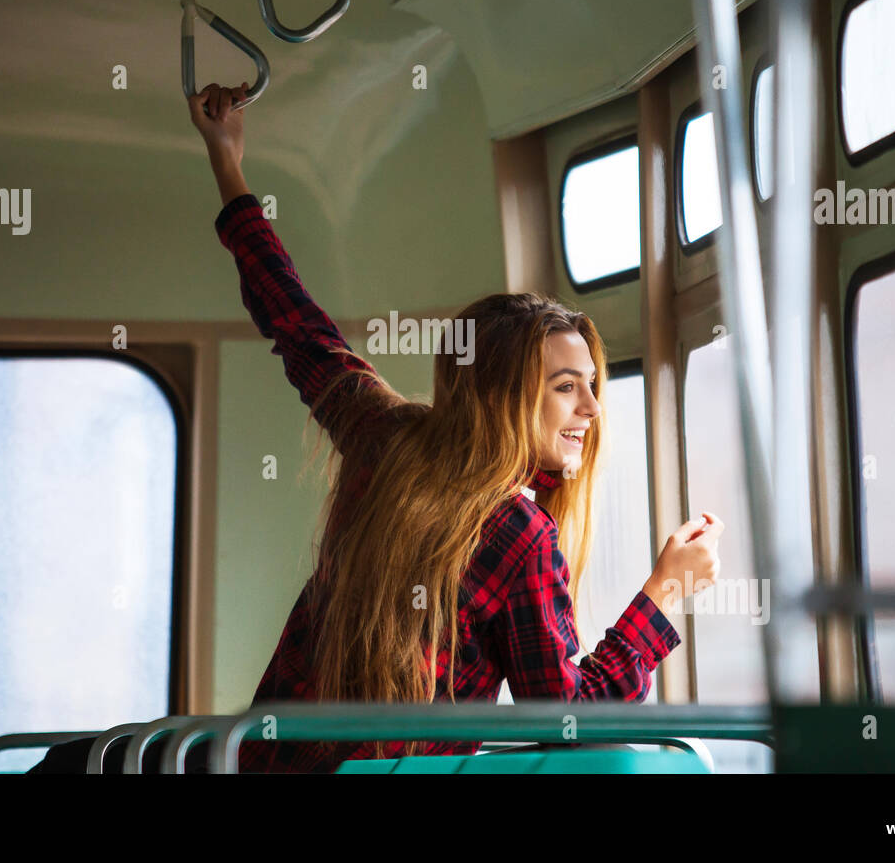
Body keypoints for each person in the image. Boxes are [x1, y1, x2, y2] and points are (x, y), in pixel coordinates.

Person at [190, 81, 724, 773]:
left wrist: (228, 167)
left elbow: (294, 321)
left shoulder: (385, 435)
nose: (592, 411)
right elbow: (564, 723)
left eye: (592, 386)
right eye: (566, 389)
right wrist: (665, 594)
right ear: (504, 398)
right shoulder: (518, 536)